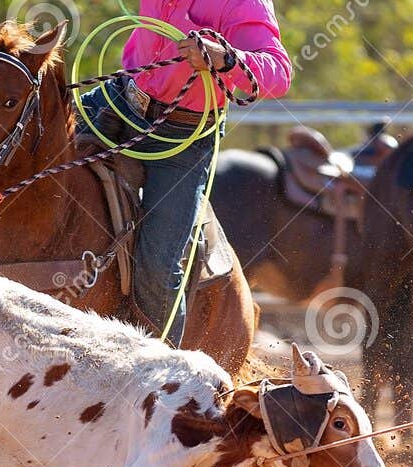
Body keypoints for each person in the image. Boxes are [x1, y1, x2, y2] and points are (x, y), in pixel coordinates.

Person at [78, 0, 291, 345]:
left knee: (157, 268)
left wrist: (226, 57)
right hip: (121, 98)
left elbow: (278, 74)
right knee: (29, 131)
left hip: (181, 138)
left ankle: (160, 373)